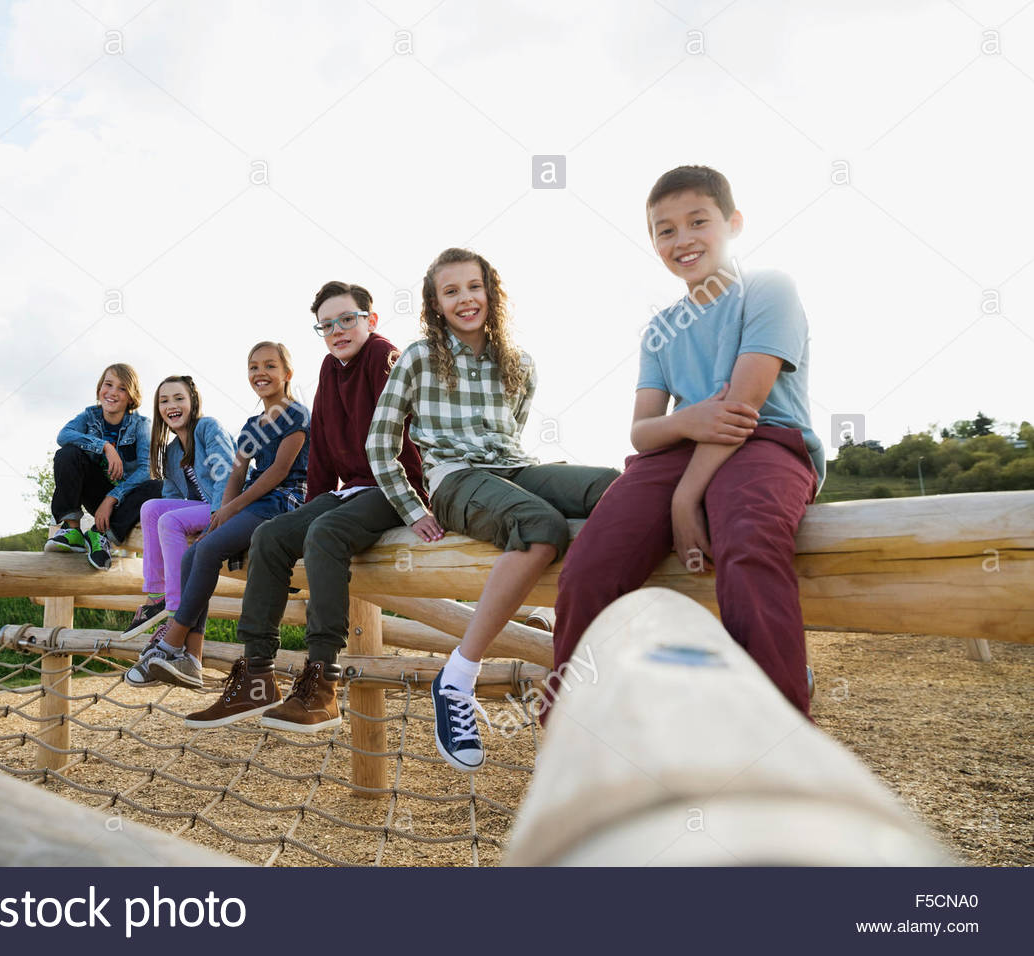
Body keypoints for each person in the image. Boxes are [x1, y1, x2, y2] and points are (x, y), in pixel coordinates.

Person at [551, 165, 824, 724]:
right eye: (665, 230)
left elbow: (743, 408)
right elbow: (643, 431)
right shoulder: (661, 328)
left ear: (734, 223)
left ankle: (772, 727)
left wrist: (685, 499)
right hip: (676, 452)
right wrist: (690, 420)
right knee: (588, 566)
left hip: (766, 441)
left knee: (747, 544)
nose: (683, 240)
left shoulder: (769, 287)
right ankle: (577, 727)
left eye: (698, 222)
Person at [367, 248, 620, 771]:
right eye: (451, 291)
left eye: (473, 287)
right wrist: (412, 508)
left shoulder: (519, 363)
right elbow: (379, 444)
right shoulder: (416, 358)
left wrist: (517, 481)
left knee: (615, 488)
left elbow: (514, 432)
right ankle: (457, 678)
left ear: (491, 292)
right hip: (454, 479)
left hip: (513, 467)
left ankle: (607, 648)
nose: (465, 299)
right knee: (540, 525)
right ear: (435, 304)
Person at [184, 282, 426, 730]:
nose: (337, 330)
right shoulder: (330, 371)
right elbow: (323, 459)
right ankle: (256, 675)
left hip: (398, 487)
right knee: (271, 535)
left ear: (370, 320)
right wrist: (303, 518)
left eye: (347, 319)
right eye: (327, 324)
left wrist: (420, 501)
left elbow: (417, 430)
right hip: (351, 489)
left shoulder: (384, 357)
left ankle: (322, 685)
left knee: (326, 533)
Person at [139, 343, 311, 689]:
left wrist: (232, 508)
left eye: (269, 366)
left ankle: (171, 642)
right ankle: (193, 659)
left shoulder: (296, 415)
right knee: (193, 554)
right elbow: (235, 473)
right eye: (253, 367)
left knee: (207, 551)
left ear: (287, 374)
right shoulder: (251, 425)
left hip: (286, 501)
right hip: (255, 502)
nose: (260, 373)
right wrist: (222, 514)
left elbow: (278, 471)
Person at [122, 375, 236, 686]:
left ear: (193, 401)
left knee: (169, 520)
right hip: (199, 514)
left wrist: (214, 521)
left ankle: (174, 612)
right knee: (151, 508)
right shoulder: (172, 452)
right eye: (164, 401)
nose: (171, 405)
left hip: (230, 506)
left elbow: (228, 475)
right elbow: (171, 500)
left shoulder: (208, 428)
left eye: (178, 398)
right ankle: (157, 594)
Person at [44, 363, 153, 570]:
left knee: (158, 485)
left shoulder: (141, 425)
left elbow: (145, 469)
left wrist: (112, 497)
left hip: (124, 501)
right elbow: (63, 436)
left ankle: (100, 535)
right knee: (67, 453)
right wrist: (104, 446)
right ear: (99, 388)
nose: (112, 392)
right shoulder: (89, 416)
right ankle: (72, 529)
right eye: (108, 384)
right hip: (94, 492)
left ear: (131, 397)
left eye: (122, 388)